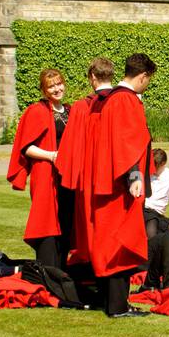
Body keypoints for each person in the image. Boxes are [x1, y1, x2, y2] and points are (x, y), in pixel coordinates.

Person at [82, 53, 157, 317]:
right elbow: (127, 143)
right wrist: (134, 177)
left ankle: (115, 302)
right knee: (120, 243)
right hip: (121, 186)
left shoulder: (108, 101)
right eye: (148, 80)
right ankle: (117, 306)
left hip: (107, 182)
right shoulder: (125, 101)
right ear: (143, 76)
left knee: (112, 242)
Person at [6, 68, 76, 270]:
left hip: (68, 177)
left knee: (66, 221)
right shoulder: (37, 111)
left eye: (59, 83)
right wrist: (51, 156)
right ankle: (48, 269)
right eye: (51, 86)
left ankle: (62, 270)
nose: (57, 89)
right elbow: (26, 147)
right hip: (47, 175)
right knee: (46, 221)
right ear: (44, 91)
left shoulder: (70, 111)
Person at [54, 57, 116, 267]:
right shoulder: (125, 101)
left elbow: (71, 148)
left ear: (92, 77)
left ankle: (92, 267)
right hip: (118, 177)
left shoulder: (82, 107)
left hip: (90, 178)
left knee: (91, 226)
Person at [144, 148, 169, 239]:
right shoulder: (144, 173)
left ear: (163, 163)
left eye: (155, 166)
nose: (152, 169)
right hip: (142, 209)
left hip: (156, 214)